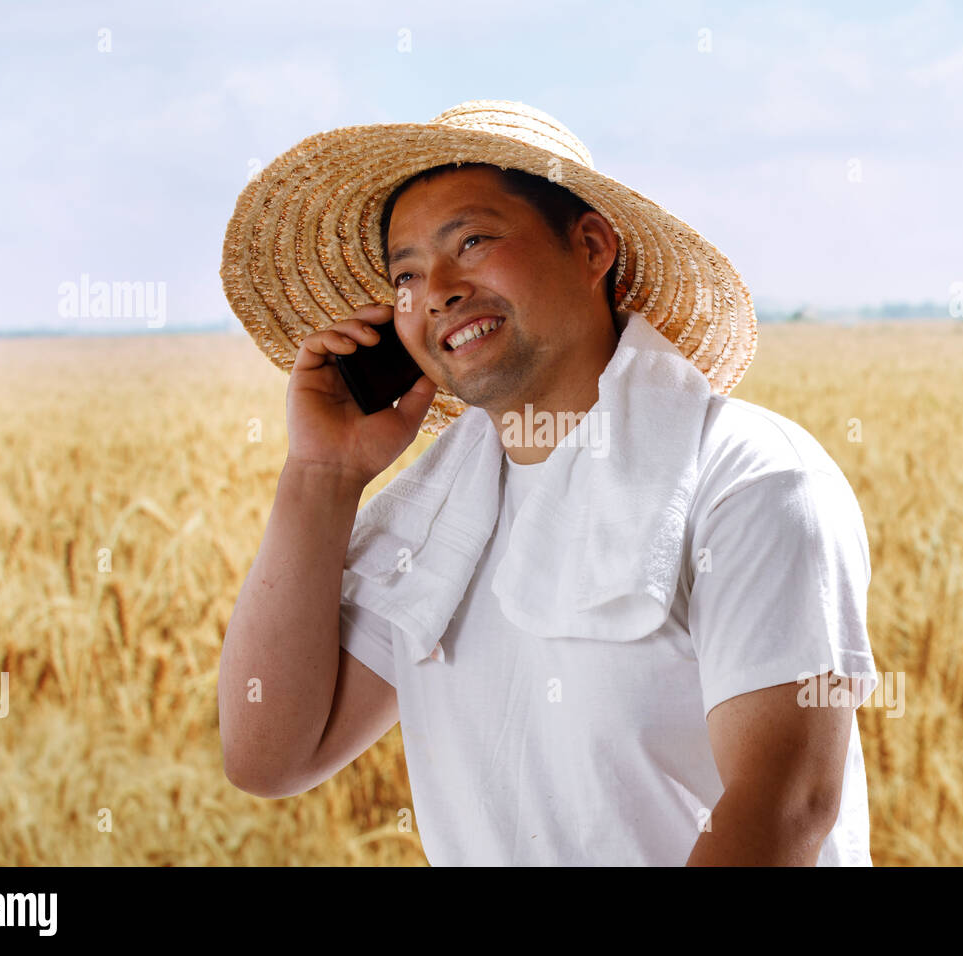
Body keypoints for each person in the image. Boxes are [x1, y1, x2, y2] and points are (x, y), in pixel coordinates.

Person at [217, 100, 879, 865]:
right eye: (406, 275)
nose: (437, 290)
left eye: (472, 241)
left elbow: (785, 809)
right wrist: (321, 477)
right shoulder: (435, 518)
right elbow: (269, 755)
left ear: (592, 246)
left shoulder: (749, 479)